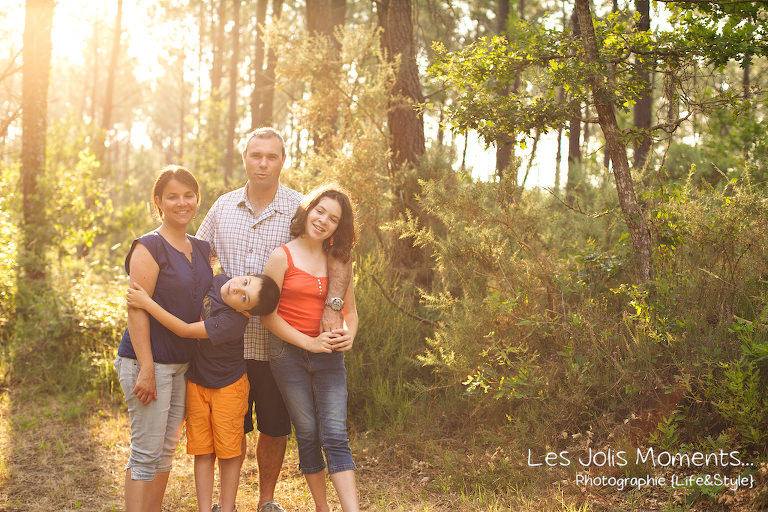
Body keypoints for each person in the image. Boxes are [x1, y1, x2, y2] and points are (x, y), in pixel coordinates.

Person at [196, 127, 351, 512]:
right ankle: (221, 503)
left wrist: (334, 305)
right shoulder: (222, 206)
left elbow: (336, 257)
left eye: (271, 156)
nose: (263, 162)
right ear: (245, 157)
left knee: (275, 426)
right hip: (225, 342)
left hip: (278, 345)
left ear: (283, 160)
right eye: (256, 155)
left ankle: (266, 499)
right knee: (227, 425)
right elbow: (198, 260)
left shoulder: (302, 209)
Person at [126, 272, 281, 512]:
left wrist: (147, 303)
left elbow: (186, 330)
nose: (237, 289)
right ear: (246, 275)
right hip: (197, 382)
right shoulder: (220, 280)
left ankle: (227, 508)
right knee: (203, 451)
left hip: (228, 387)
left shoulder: (233, 321)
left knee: (228, 452)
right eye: (245, 282)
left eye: (244, 298)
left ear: (246, 312)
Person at [115, 165, 214, 512]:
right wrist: (145, 368)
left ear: (197, 199)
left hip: (182, 364)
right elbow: (136, 309)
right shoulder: (149, 246)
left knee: (165, 452)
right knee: (145, 452)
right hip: (148, 362)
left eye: (188, 195)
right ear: (158, 201)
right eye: (172, 196)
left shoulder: (201, 249)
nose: (182, 202)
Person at [262, 184, 359, 512]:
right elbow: (267, 316)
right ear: (307, 209)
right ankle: (322, 508)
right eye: (320, 211)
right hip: (287, 355)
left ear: (338, 227)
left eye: (333, 219)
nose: (323, 220)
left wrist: (349, 333)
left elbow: (351, 313)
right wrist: (308, 342)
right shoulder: (281, 256)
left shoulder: (340, 262)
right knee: (307, 432)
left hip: (330, 355)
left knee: (334, 434)